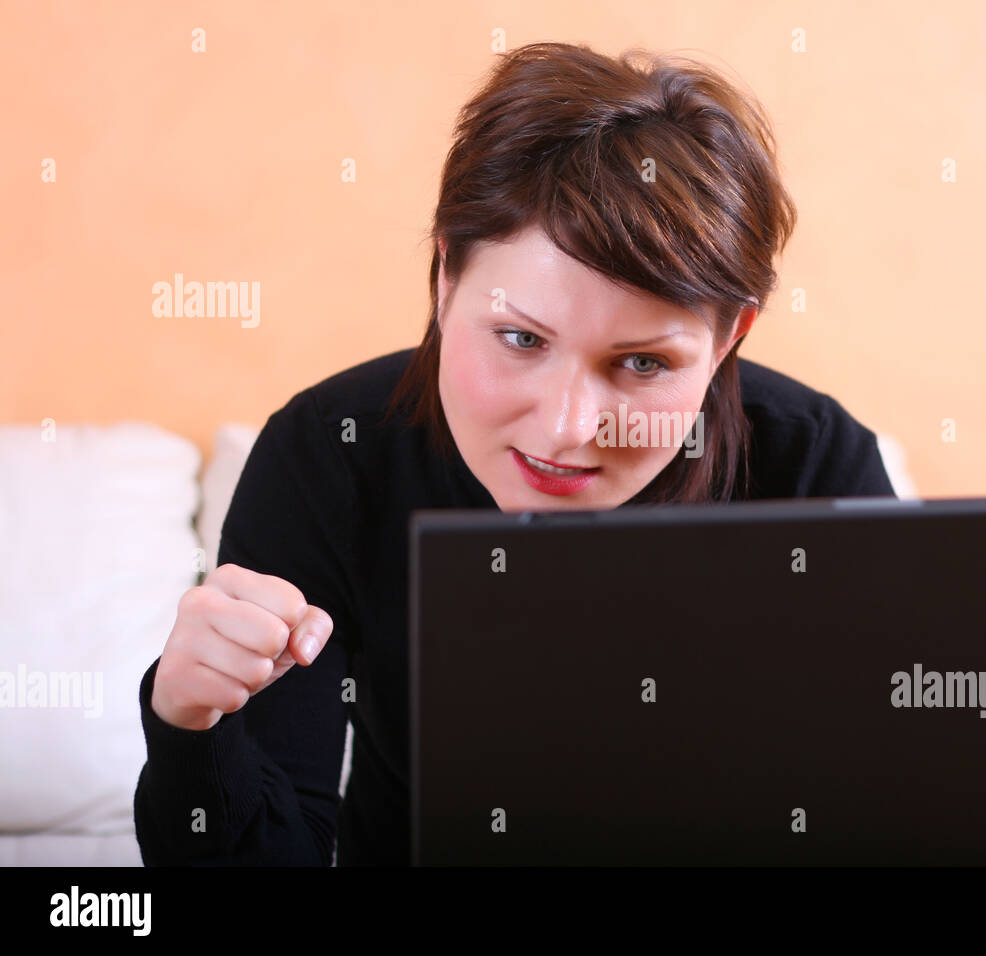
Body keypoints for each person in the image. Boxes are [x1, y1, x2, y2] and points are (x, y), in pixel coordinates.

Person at [133, 41, 895, 866]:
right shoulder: (331, 455)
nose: (568, 428)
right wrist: (189, 725)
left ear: (728, 338)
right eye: (520, 338)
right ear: (442, 283)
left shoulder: (816, 469)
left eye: (642, 363)